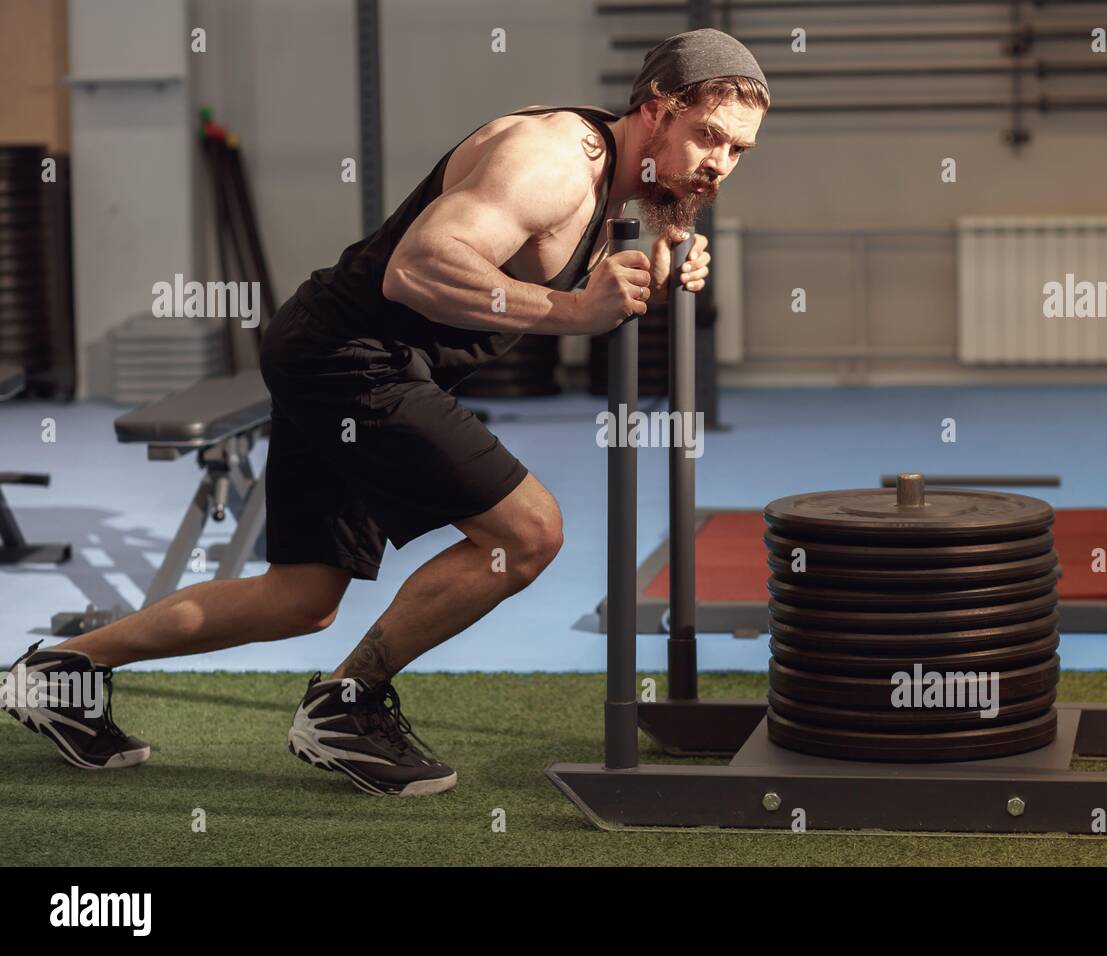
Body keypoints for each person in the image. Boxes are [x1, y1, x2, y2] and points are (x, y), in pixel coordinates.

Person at [3, 28, 768, 796]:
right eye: (707, 136)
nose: (719, 164)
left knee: (301, 599)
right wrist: (575, 309)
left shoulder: (637, 180)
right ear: (656, 109)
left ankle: (62, 670)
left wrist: (673, 255)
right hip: (353, 354)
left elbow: (637, 240)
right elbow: (420, 267)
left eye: (737, 151)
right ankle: (348, 702)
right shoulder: (553, 160)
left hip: (343, 352)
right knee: (528, 534)